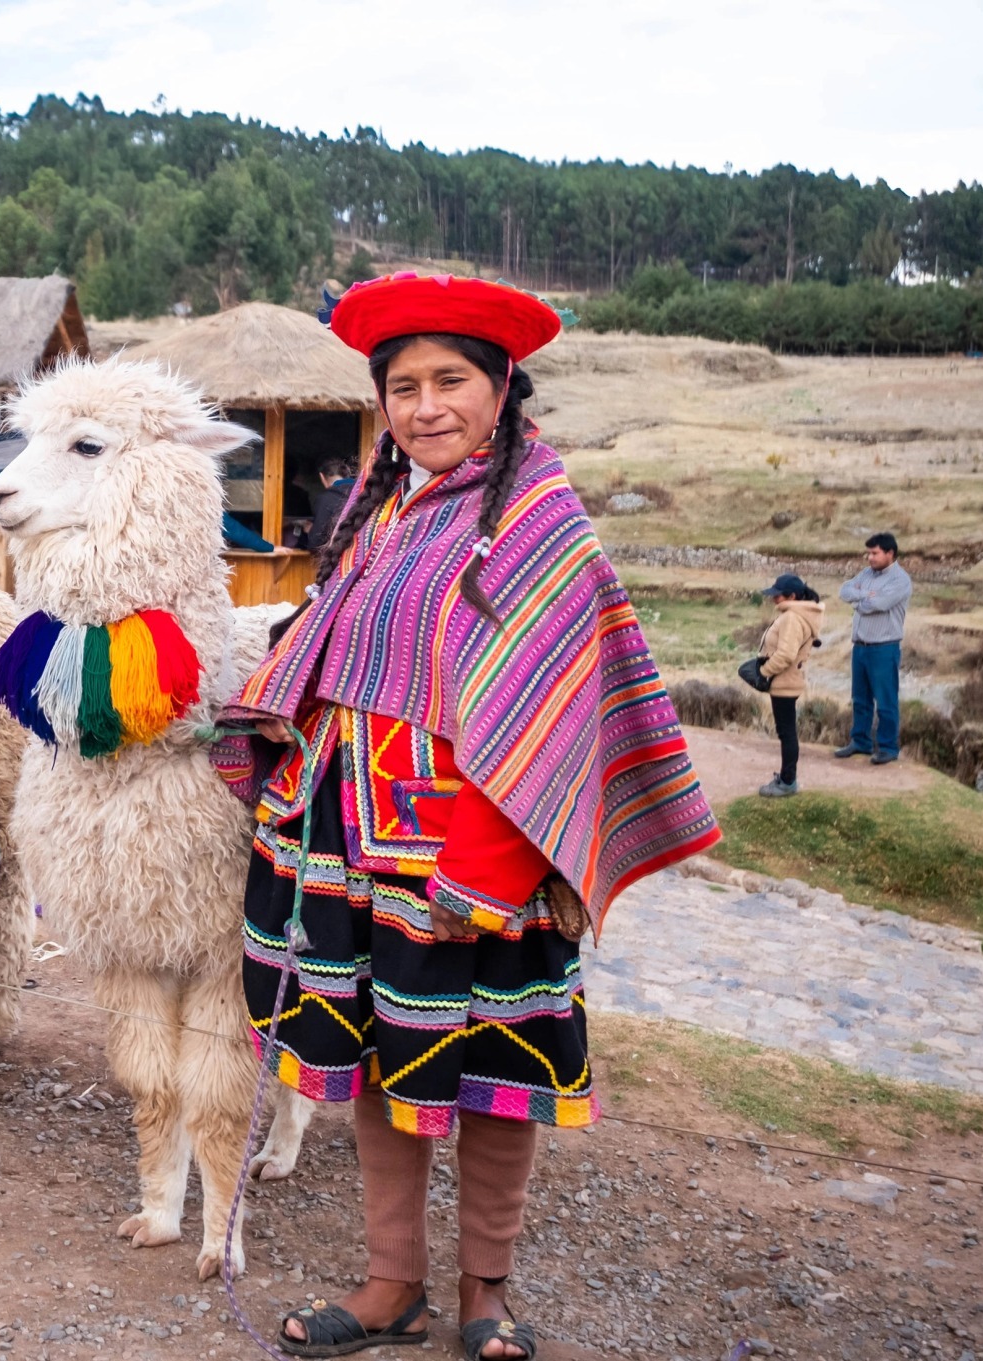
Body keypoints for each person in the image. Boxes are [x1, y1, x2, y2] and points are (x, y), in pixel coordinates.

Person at [223, 273, 719, 1360]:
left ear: (502, 386)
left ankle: (483, 1288)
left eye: (450, 379)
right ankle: (391, 1279)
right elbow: (331, 653)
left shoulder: (540, 522)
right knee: (374, 1056)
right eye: (401, 386)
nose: (423, 406)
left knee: (490, 1072)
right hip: (352, 835)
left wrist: (487, 865)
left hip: (473, 850)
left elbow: (559, 706)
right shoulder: (378, 508)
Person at [834, 531, 910, 764]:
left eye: (875, 553)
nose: (870, 558)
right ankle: (861, 741)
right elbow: (844, 591)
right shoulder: (867, 574)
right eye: (868, 553)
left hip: (884, 648)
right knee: (860, 699)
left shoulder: (900, 580)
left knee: (885, 701)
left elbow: (878, 604)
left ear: (890, 553)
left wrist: (861, 600)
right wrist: (865, 595)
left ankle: (888, 747)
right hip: (861, 646)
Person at [755, 573, 824, 798]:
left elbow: (785, 654)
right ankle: (787, 778)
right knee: (787, 731)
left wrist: (763, 672)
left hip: (784, 681)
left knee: (787, 732)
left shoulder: (793, 618)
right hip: (788, 679)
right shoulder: (798, 614)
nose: (774, 599)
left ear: (792, 596)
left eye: (778, 595)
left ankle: (787, 781)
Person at [306, 458, 356, 548]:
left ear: (321, 477)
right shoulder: (363, 494)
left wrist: (310, 531)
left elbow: (316, 541)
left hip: (336, 556)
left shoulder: (325, 499)